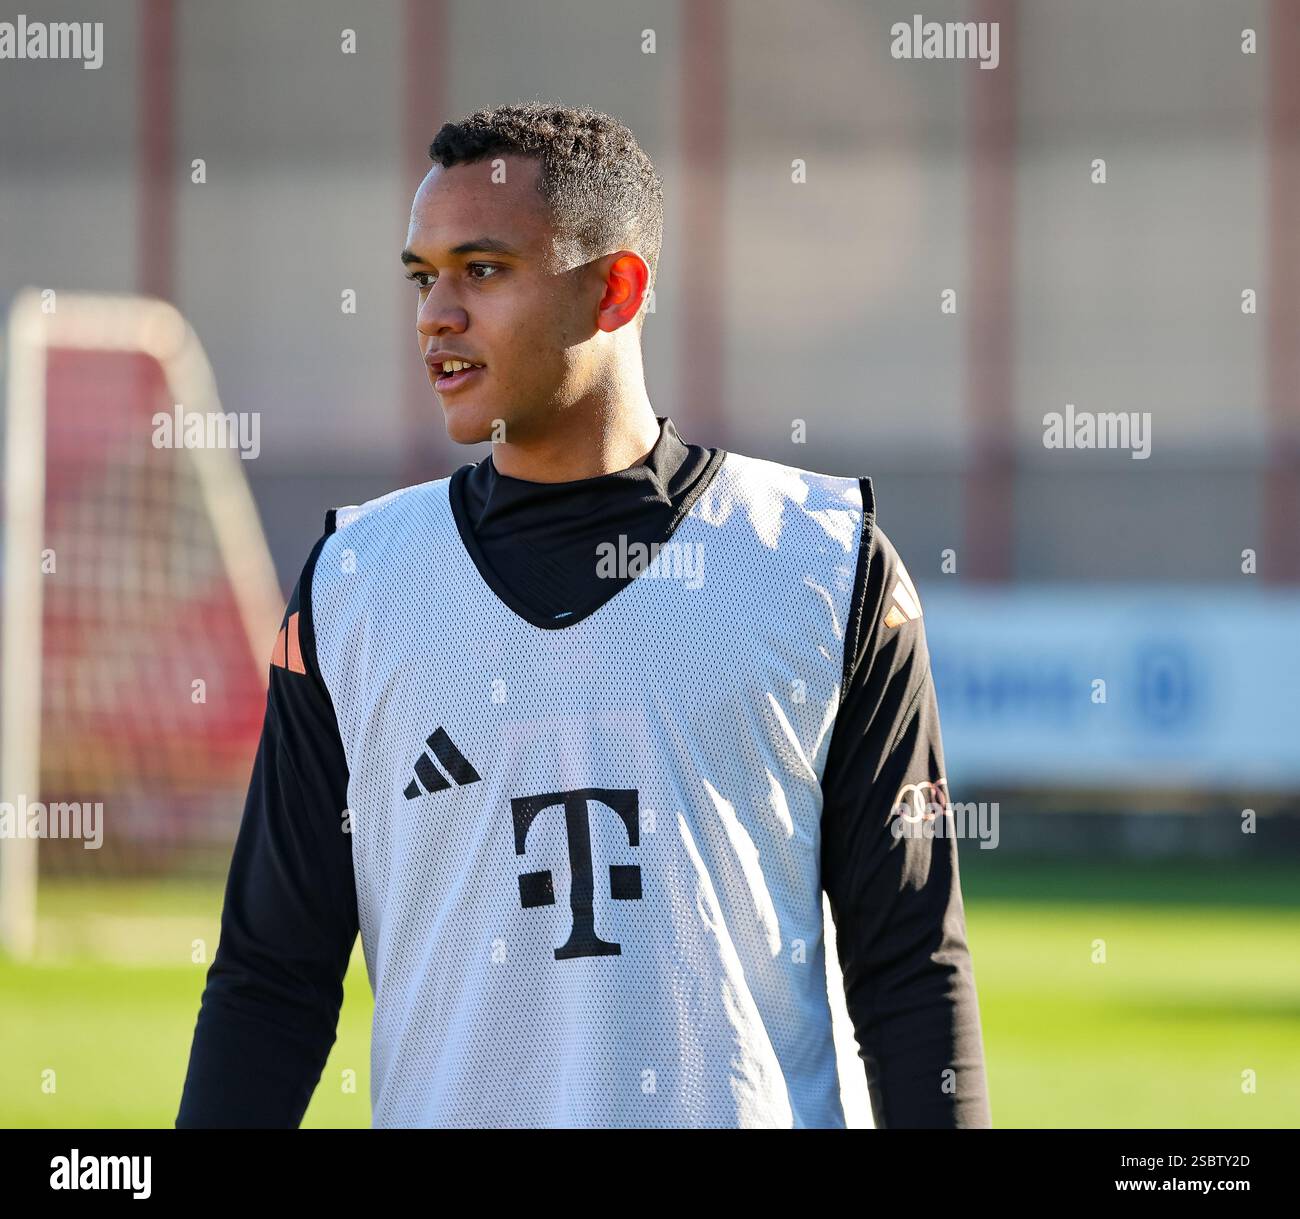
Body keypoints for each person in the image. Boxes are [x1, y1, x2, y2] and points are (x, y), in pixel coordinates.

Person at [176, 101, 990, 1129]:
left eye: (481, 268)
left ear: (615, 288)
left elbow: (909, 964)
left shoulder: (824, 560)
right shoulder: (355, 584)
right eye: (423, 276)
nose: (435, 313)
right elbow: (271, 976)